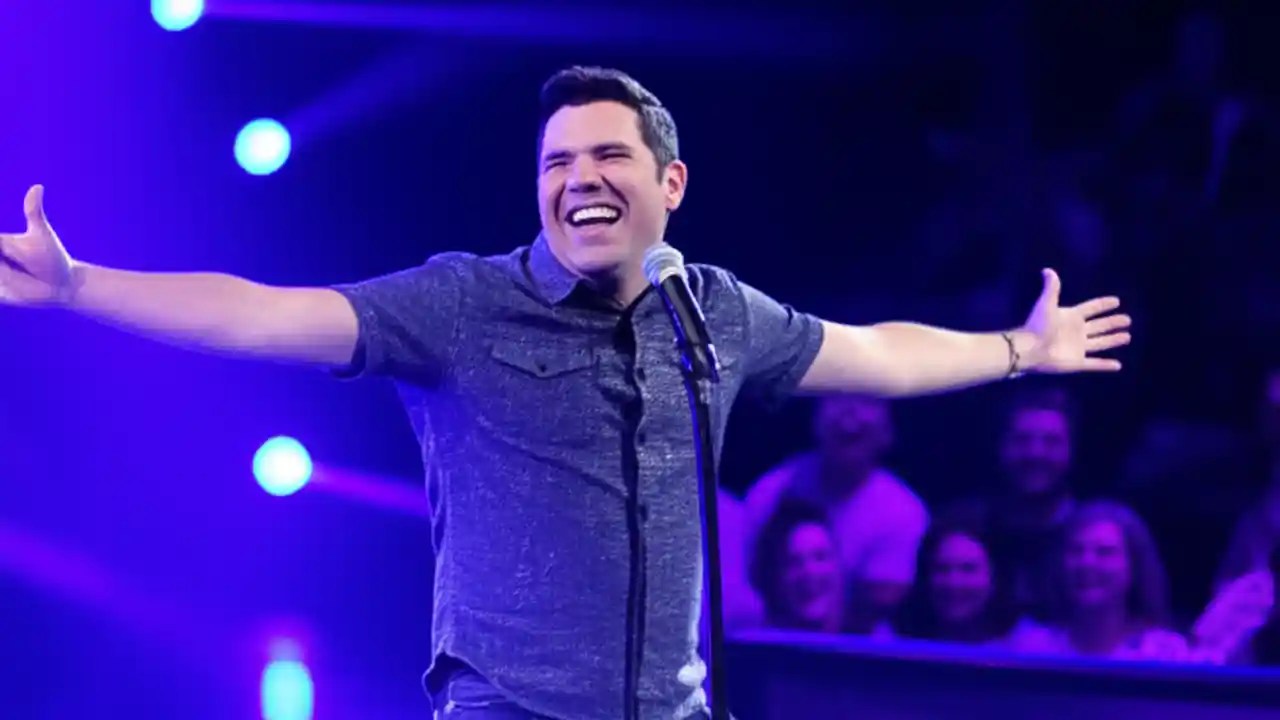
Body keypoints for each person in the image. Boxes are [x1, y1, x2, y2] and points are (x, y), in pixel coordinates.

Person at [0, 66, 1133, 720]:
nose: (578, 180)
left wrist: (1017, 354)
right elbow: (259, 312)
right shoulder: (459, 307)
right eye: (555, 164)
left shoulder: (715, 312)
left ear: (668, 184)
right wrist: (81, 285)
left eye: (606, 159)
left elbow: (873, 355)